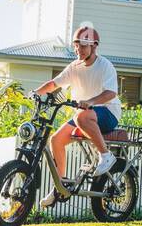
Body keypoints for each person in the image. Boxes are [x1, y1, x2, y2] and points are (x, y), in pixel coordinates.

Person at [32, 23, 121, 207]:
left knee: (81, 116)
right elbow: (53, 84)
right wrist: (35, 93)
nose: (77, 49)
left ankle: (106, 155)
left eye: (82, 45)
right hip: (85, 115)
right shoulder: (74, 67)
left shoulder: (105, 65)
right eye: (76, 45)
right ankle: (60, 186)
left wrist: (90, 102)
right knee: (56, 140)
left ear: (94, 46)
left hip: (107, 113)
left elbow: (111, 93)